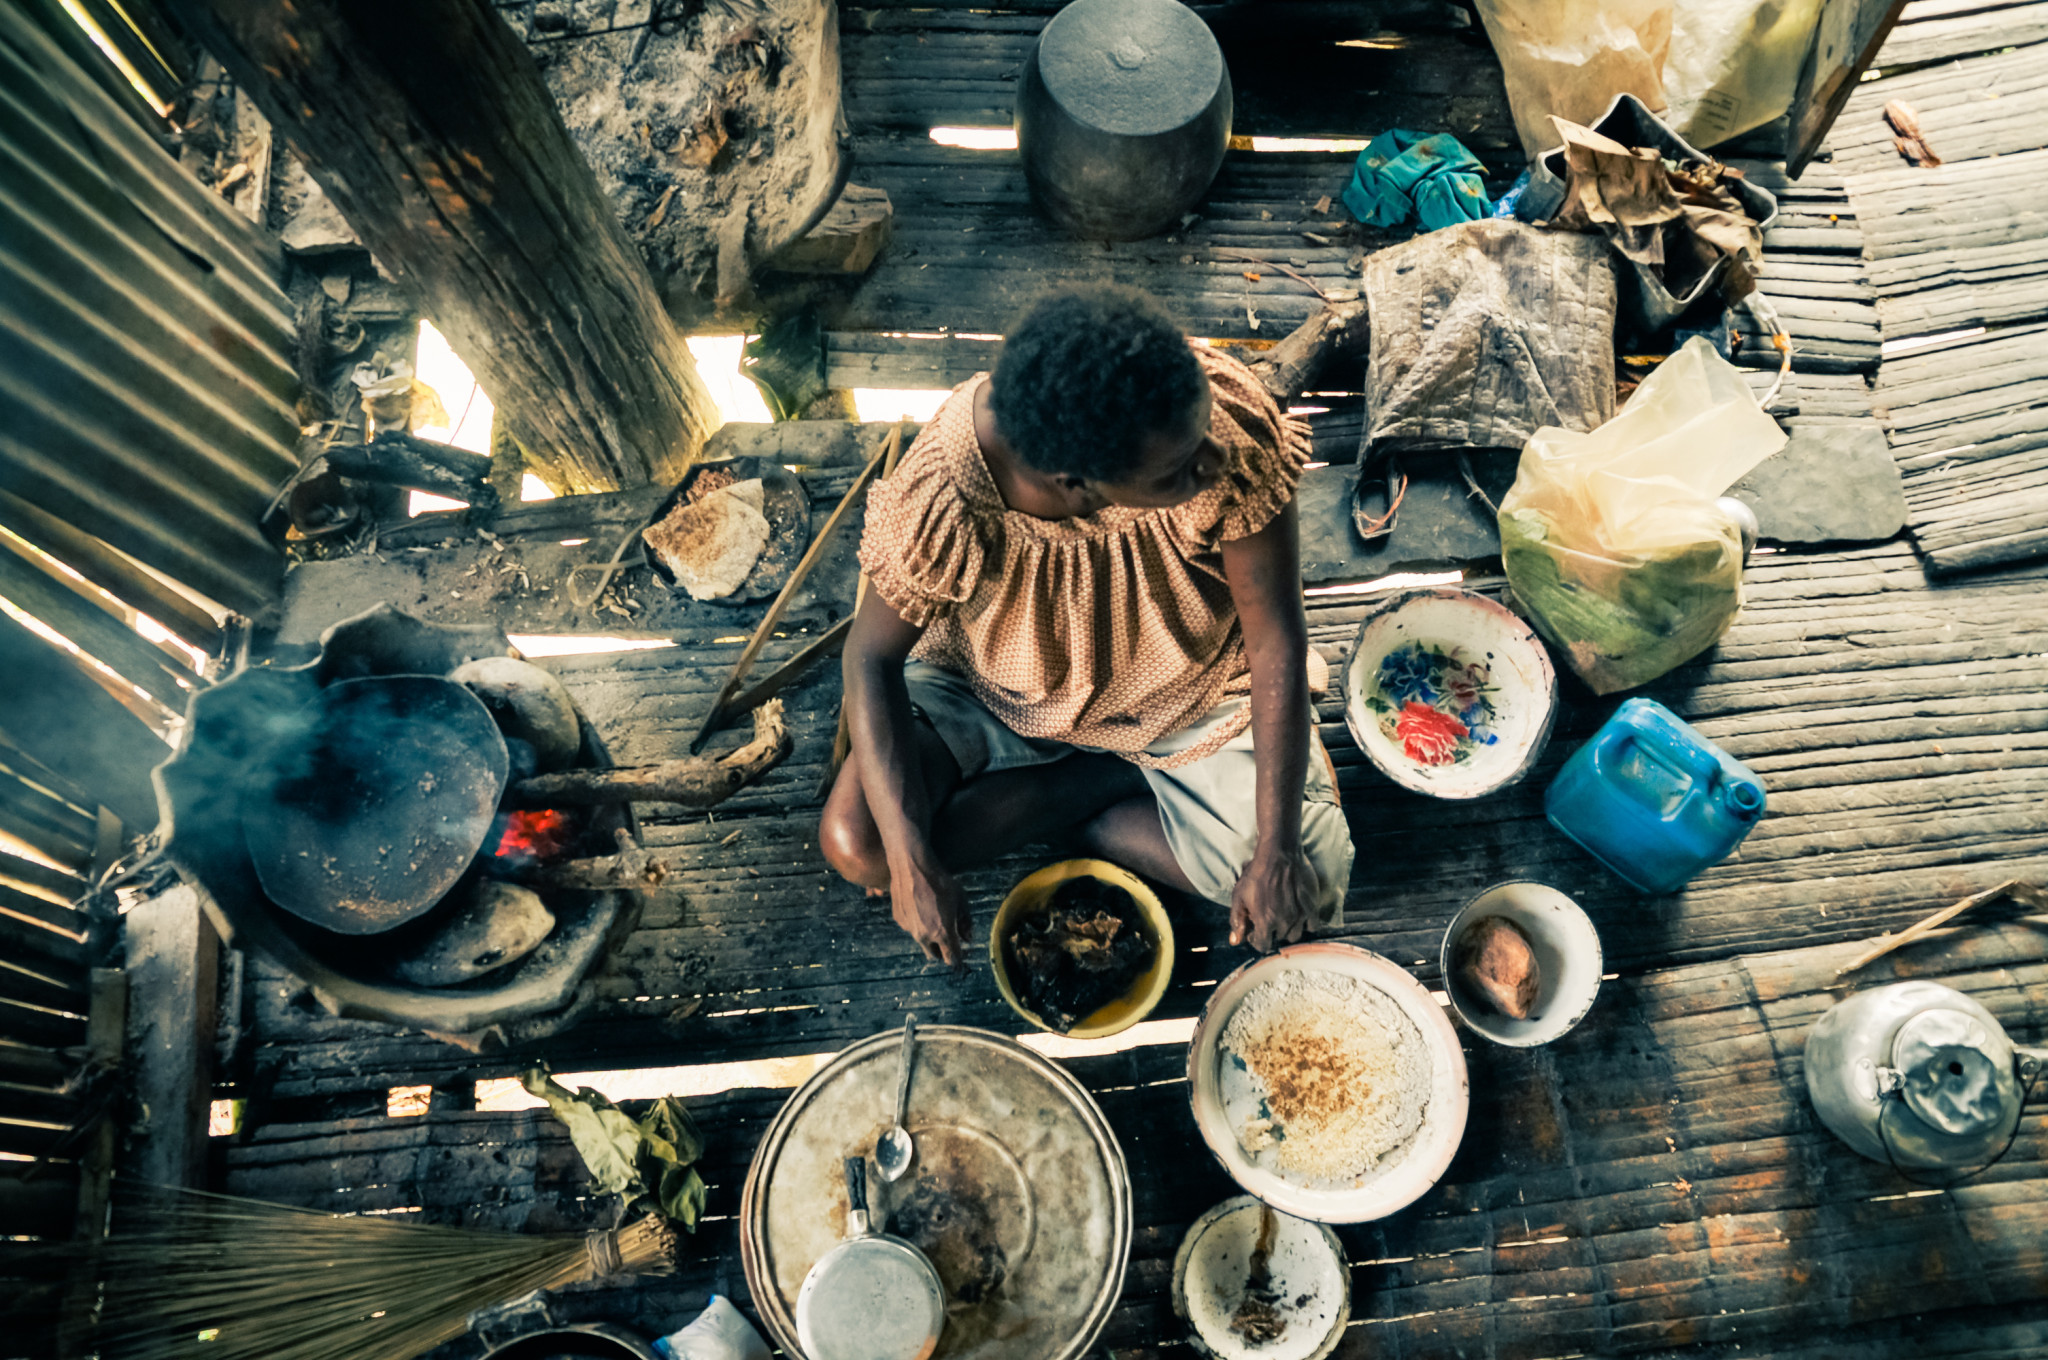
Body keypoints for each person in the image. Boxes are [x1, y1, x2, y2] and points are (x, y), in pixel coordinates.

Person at [819, 288, 1354, 964]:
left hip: (1188, 693)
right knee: (861, 844)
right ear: (1076, 487)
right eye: (1178, 472)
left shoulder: (1202, 422)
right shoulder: (948, 496)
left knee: (1312, 879)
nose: (1214, 461)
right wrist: (909, 864)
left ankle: (1080, 792)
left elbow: (1275, 637)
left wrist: (1275, 850)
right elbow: (869, 661)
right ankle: (1122, 783)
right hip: (998, 689)